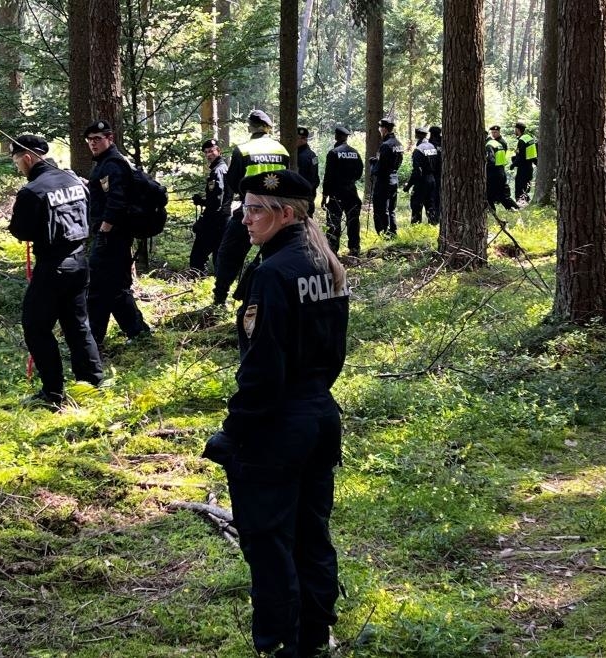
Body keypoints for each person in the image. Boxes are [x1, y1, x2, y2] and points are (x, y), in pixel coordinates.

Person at [202, 169, 349, 658]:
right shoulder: (321, 262)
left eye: (256, 209)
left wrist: (234, 431)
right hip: (319, 418)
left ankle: (281, 642)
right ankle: (313, 635)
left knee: (269, 543)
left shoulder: (272, 272)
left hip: (277, 428)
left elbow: (263, 370)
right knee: (312, 534)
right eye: (243, 208)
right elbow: (333, 356)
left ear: (286, 213)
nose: (245, 219)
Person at [7, 134, 103, 407]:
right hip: (80, 262)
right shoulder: (73, 179)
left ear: (27, 157)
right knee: (78, 324)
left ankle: (53, 391)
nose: (18, 167)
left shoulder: (32, 191)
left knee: (35, 326)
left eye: (16, 161)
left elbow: (21, 231)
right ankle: (92, 381)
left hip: (52, 267)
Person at [83, 120, 152, 352]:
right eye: (90, 140)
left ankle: (93, 340)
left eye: (98, 139)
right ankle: (138, 331)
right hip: (115, 236)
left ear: (109, 139)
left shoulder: (112, 164)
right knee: (115, 287)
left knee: (99, 287)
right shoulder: (106, 163)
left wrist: (105, 228)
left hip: (113, 236)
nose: (93, 143)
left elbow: (117, 199)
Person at [212, 109, 290, 306]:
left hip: (251, 210)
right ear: (268, 128)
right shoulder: (282, 150)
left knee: (228, 253)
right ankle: (270, 297)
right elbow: (288, 178)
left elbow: (232, 180)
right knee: (275, 255)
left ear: (250, 127)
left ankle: (220, 298)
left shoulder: (244, 150)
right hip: (277, 212)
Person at [321, 125, 364, 256]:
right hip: (351, 191)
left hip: (336, 192)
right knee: (353, 220)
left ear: (336, 136)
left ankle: (333, 249)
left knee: (334, 221)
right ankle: (355, 248)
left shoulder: (333, 153)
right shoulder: (355, 152)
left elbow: (328, 176)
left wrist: (324, 195)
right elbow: (359, 172)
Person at [190, 138, 231, 274]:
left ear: (218, 151)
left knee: (197, 256)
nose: (209, 154)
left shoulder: (217, 171)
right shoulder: (223, 168)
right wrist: (203, 201)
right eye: (206, 152)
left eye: (212, 151)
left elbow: (216, 201)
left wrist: (202, 208)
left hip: (215, 220)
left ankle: (197, 285)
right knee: (217, 255)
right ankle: (216, 287)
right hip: (223, 219)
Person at [371, 117, 404, 237]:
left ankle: (384, 233)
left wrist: (373, 165)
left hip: (384, 180)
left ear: (384, 129)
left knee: (381, 208)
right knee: (391, 208)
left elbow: (381, 167)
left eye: (380, 128)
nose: (379, 130)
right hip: (394, 178)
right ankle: (393, 231)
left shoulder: (385, 145)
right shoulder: (398, 143)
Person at [402, 126, 439, 225]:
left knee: (416, 205)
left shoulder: (418, 150)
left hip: (421, 181)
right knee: (430, 204)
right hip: (432, 180)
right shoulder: (432, 147)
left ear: (417, 135)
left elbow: (416, 171)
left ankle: (416, 227)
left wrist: (408, 186)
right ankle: (433, 223)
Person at [485, 127, 520, 211]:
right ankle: (515, 208)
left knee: (488, 194)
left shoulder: (488, 145)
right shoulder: (495, 143)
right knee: (502, 194)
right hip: (501, 171)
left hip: (493, 173)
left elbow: (491, 160)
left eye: (495, 132)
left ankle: (491, 212)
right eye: (492, 132)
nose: (494, 134)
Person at [296, 127, 321, 216]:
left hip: (301, 195)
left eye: (296, 138)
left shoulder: (299, 156)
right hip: (310, 194)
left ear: (304, 139)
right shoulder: (313, 155)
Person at [511, 122, 537, 202]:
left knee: (519, 186)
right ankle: (525, 201)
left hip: (523, 167)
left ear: (517, 129)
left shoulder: (522, 140)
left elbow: (521, 156)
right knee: (526, 186)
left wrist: (513, 164)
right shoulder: (529, 138)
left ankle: (520, 203)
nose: (514, 131)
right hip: (529, 166)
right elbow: (529, 153)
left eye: (515, 129)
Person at [428, 125, 443, 220]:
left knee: (434, 196)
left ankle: (435, 216)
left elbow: (430, 160)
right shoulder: (444, 142)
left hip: (434, 173)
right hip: (443, 172)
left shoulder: (431, 144)